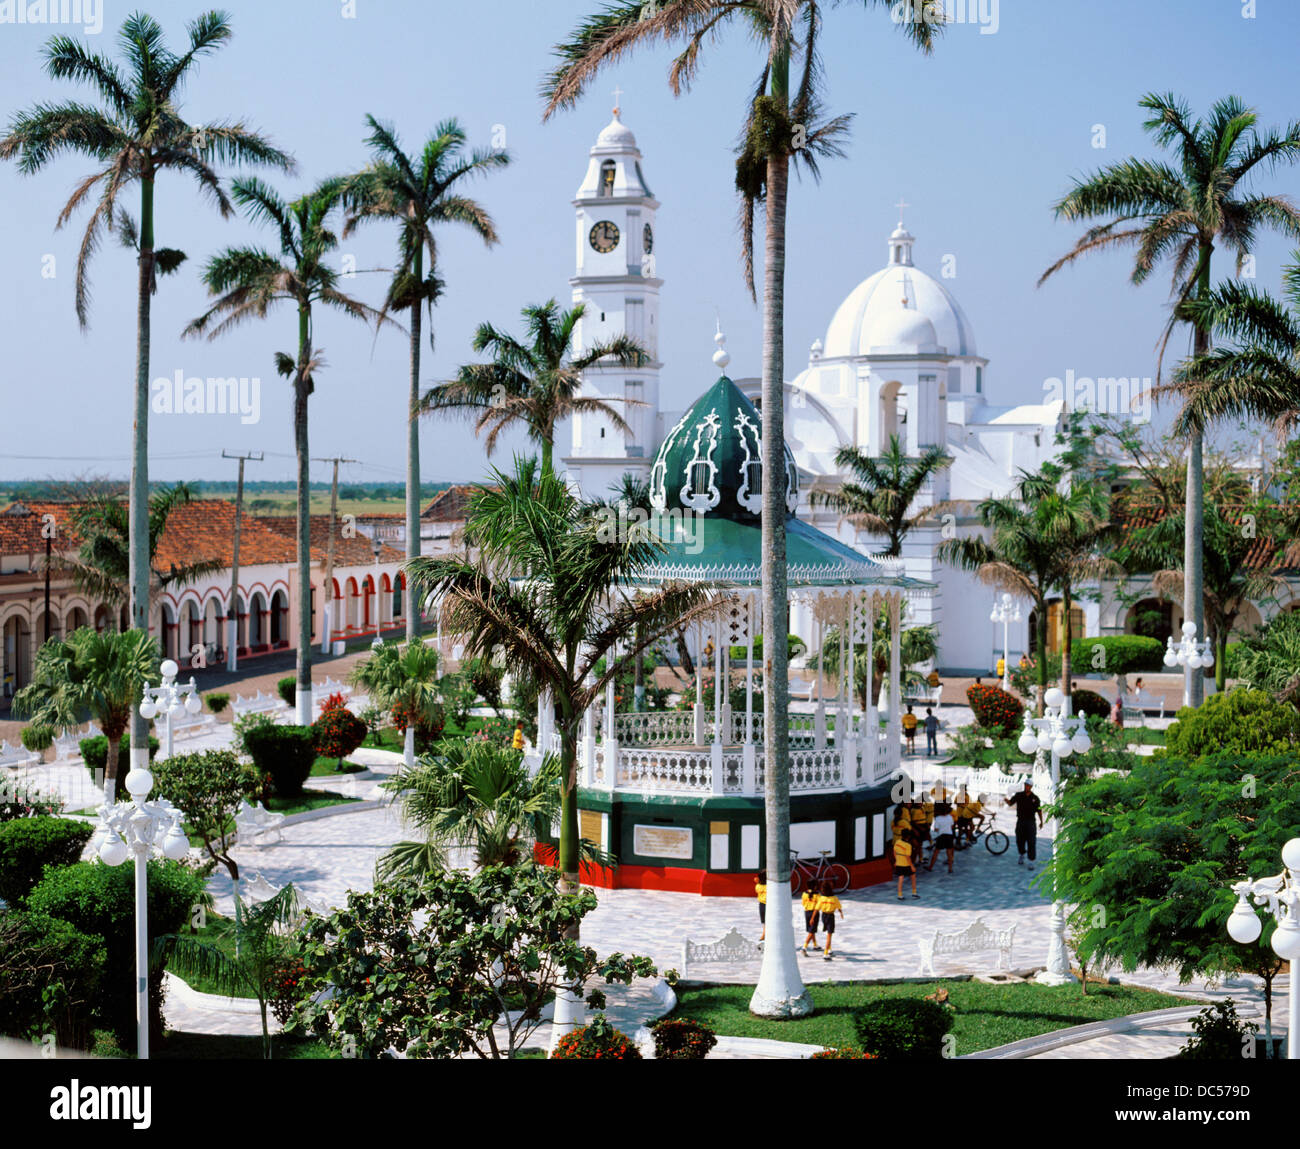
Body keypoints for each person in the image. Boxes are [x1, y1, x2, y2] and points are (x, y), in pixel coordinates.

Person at [1005, 781, 1044, 869]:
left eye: (1028, 786)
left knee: (1031, 841)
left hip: (1031, 822)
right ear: (1024, 786)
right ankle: (1022, 854)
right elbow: (1011, 803)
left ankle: (1031, 861)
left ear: (1031, 787)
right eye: (1026, 785)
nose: (1027, 787)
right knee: (1019, 840)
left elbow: (1039, 811)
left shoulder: (1035, 798)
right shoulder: (1019, 795)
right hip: (1021, 821)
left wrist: (1041, 821)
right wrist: (1006, 800)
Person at [815, 879, 844, 960]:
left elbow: (817, 909)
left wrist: (813, 918)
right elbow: (839, 907)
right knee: (829, 934)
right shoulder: (834, 898)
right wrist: (841, 913)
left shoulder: (822, 898)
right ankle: (825, 953)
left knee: (828, 933)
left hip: (823, 916)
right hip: (830, 916)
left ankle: (829, 949)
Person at [928, 802, 956, 874]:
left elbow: (936, 829)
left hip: (941, 836)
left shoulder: (937, 819)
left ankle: (930, 867)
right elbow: (952, 826)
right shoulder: (950, 817)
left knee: (936, 852)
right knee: (949, 854)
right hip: (949, 836)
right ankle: (950, 869)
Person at [895, 828, 919, 900]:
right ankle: (914, 893)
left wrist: (896, 860)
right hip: (906, 864)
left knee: (900, 879)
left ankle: (900, 895)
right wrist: (912, 866)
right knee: (913, 877)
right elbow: (908, 857)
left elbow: (894, 851)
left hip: (899, 863)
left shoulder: (897, 842)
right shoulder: (908, 845)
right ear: (909, 836)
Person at [801, 886, 821, 954]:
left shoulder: (804, 894)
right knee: (812, 931)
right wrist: (813, 917)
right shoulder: (817, 895)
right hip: (814, 914)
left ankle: (815, 945)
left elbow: (803, 903)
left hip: (806, 913)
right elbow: (818, 906)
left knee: (811, 930)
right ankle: (804, 947)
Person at [754, 872, 767, 942]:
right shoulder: (769, 887)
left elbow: (757, 890)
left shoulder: (758, 886)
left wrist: (757, 882)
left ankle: (763, 934)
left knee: (764, 922)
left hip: (761, 905)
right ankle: (764, 934)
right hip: (769, 905)